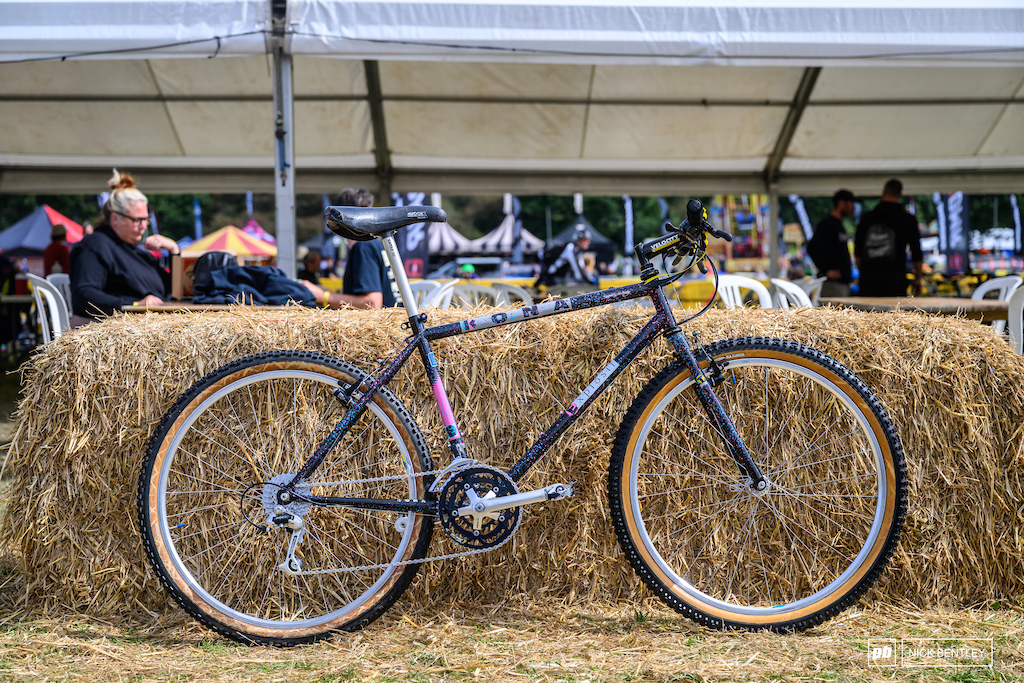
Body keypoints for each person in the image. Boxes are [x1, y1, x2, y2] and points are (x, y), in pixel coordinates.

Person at [70, 170, 180, 319]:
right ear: (115, 219)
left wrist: (173, 250)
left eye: (145, 220)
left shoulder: (136, 252)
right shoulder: (95, 245)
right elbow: (84, 294)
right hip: (112, 331)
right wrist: (135, 305)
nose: (143, 226)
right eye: (137, 220)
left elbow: (173, 291)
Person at [300, 188, 401, 309]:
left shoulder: (363, 246)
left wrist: (322, 296)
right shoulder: (380, 242)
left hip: (380, 324)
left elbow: (372, 304)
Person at [854, 179, 923, 297]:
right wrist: (918, 278)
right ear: (900, 195)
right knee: (894, 314)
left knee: (866, 315)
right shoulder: (907, 220)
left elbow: (858, 251)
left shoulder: (867, 218)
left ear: (883, 192)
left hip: (869, 280)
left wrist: (863, 273)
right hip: (895, 280)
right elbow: (916, 251)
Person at [806, 189, 856, 297]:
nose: (853, 207)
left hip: (841, 284)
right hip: (832, 285)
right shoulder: (827, 224)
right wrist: (826, 271)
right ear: (842, 203)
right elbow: (812, 247)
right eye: (851, 203)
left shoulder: (839, 225)